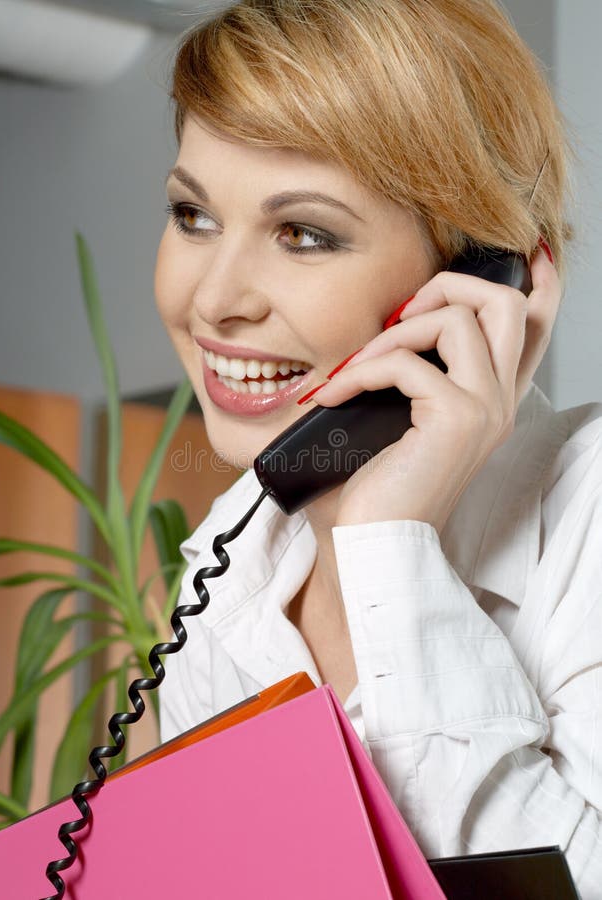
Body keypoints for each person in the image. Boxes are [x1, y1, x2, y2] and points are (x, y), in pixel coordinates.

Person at [154, 0, 602, 893]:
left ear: (483, 280)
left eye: (304, 234)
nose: (214, 300)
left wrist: (389, 542)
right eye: (194, 215)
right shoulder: (233, 556)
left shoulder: (588, 512)